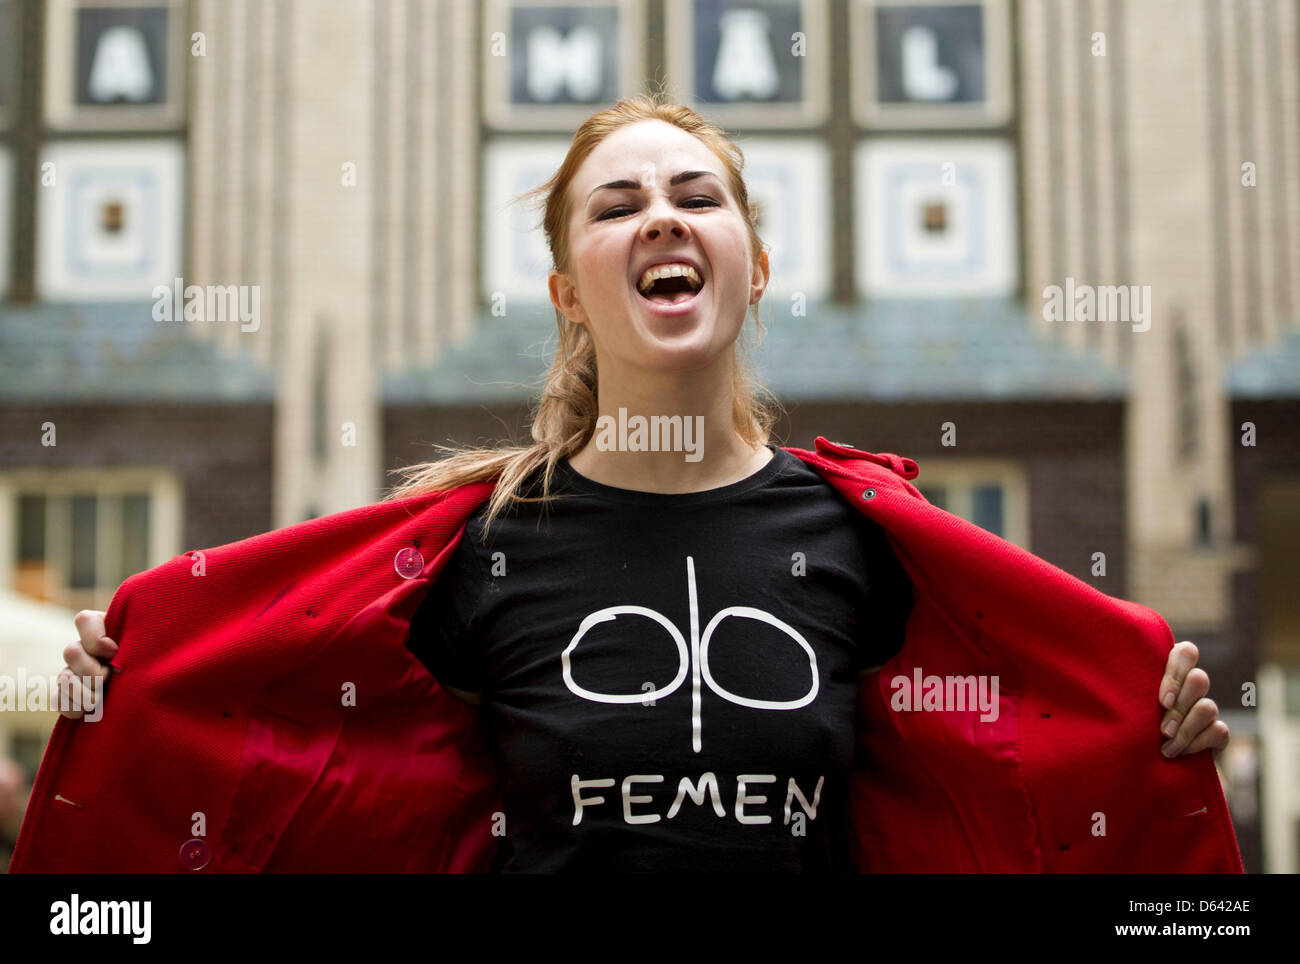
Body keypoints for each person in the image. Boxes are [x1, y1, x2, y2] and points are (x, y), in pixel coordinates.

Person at [55, 92, 1230, 872]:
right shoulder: (481, 553)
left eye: (694, 196)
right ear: (571, 291)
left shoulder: (865, 543)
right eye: (616, 208)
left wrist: (1143, 731)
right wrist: (135, 686)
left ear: (753, 268)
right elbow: (314, 774)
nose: (660, 218)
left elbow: (1009, 765)